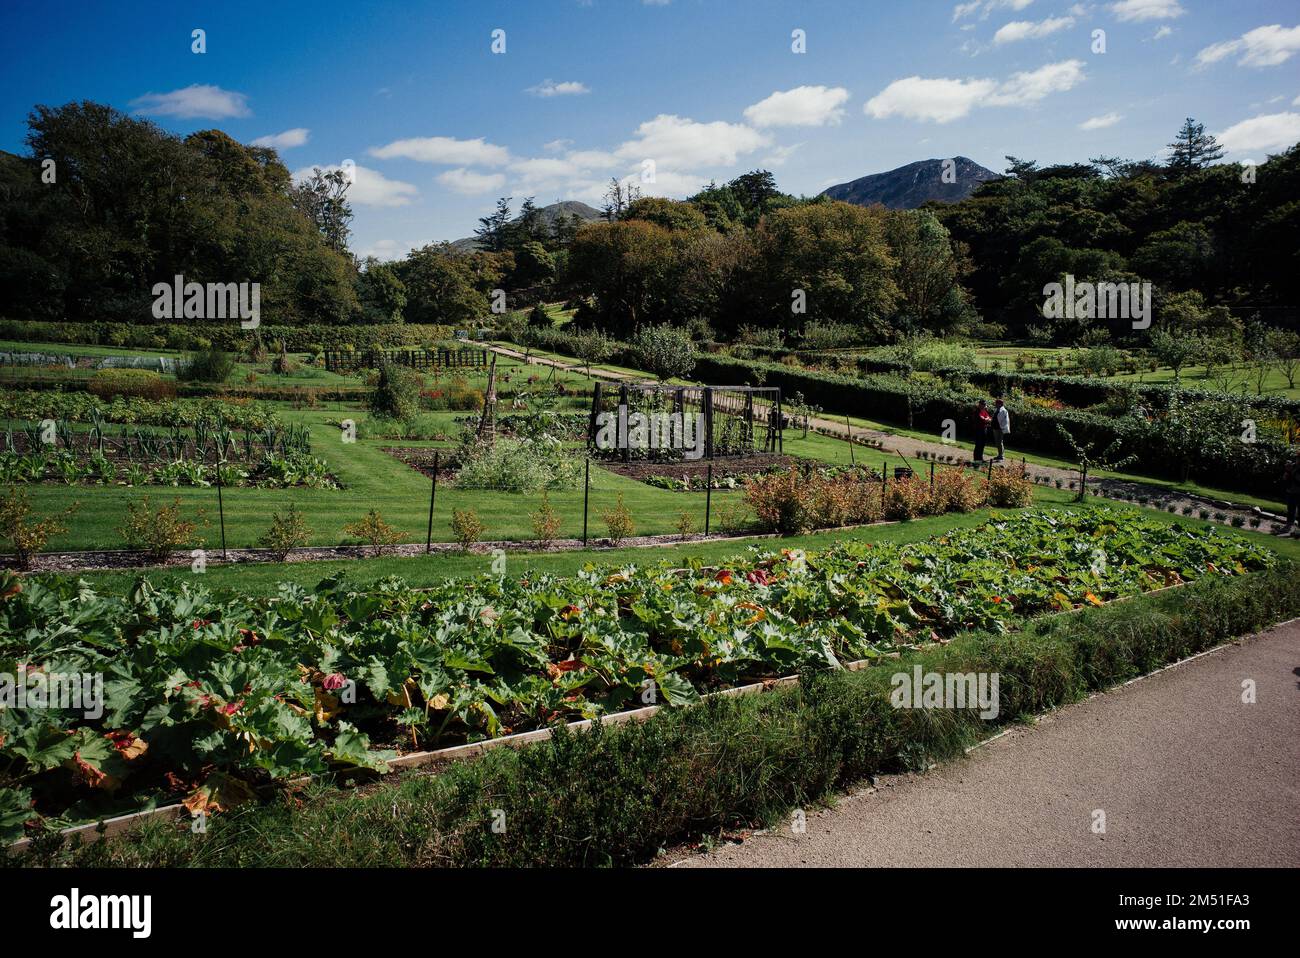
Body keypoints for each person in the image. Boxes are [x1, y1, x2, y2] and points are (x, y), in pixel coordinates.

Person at [972, 399, 992, 464]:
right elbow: (985, 420)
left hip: (984, 429)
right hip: (978, 430)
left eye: (985, 405)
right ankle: (976, 459)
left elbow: (990, 418)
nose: (984, 406)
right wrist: (987, 419)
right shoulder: (977, 411)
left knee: (982, 445)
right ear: (980, 404)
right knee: (978, 445)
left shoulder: (984, 411)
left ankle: (980, 458)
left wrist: (987, 419)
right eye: (983, 404)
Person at [1284, 451, 1300, 527]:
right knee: (1290, 510)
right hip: (1291, 491)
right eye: (1297, 458)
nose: (1297, 460)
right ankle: (1289, 525)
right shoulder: (1293, 466)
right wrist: (1287, 471)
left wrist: (1291, 472)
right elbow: (1285, 477)